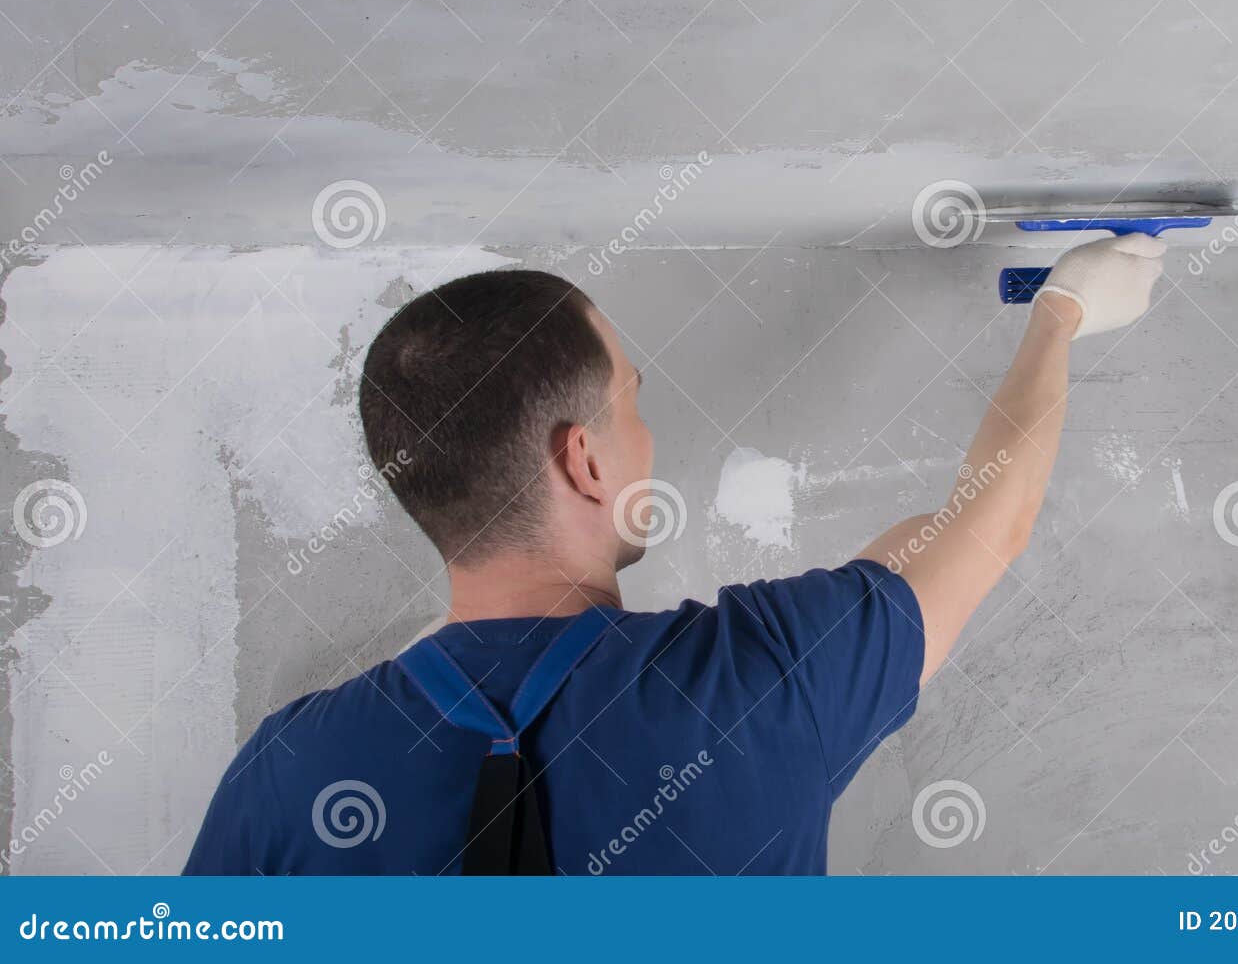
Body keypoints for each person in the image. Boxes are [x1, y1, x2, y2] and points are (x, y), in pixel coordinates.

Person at [184, 234, 1166, 874]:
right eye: (633, 402)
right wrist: (1064, 313)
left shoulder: (286, 767)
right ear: (585, 458)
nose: (646, 435)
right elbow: (988, 523)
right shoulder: (764, 673)